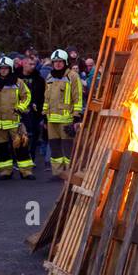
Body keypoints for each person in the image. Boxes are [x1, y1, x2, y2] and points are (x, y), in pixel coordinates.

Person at [0, 55, 33, 181]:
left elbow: (27, 96)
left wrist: (20, 108)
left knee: (21, 147)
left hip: (15, 121)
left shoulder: (18, 83)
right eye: (1, 68)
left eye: (5, 68)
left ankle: (26, 171)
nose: (3, 70)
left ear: (11, 69)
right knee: (2, 148)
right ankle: (5, 171)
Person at [43, 49, 82, 180]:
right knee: (55, 149)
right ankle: (58, 173)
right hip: (51, 120)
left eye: (60, 62)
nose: (58, 64)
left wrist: (76, 117)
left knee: (68, 149)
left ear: (65, 62)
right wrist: (44, 115)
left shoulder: (72, 76)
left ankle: (70, 174)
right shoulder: (49, 77)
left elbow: (78, 98)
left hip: (67, 119)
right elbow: (46, 98)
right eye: (55, 62)